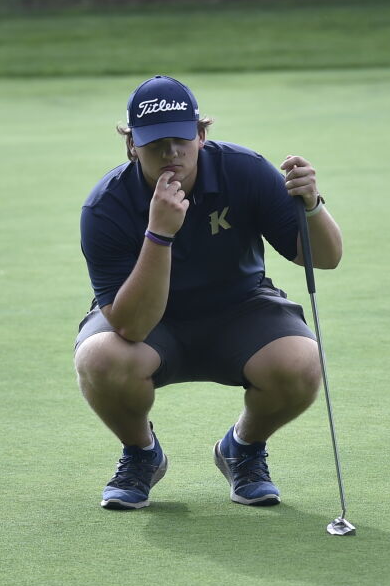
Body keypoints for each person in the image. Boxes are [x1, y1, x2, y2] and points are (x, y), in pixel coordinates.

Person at [75, 76, 343, 511]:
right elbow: (131, 324)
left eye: (181, 138)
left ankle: (244, 448)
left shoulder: (245, 171)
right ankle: (142, 454)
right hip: (150, 322)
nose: (170, 153)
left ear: (201, 135)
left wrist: (312, 204)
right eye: (154, 142)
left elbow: (326, 257)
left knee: (301, 363)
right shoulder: (107, 205)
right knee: (100, 358)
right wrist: (159, 233)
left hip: (240, 307)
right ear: (131, 146)